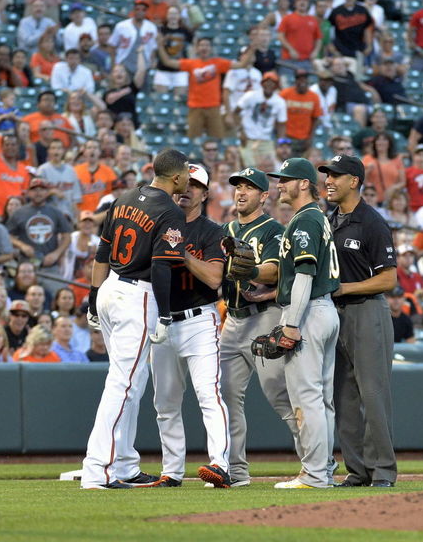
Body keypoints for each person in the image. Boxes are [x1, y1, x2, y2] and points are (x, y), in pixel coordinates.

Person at [81, 148, 189, 489]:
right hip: (136, 296)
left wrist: (93, 298)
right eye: (187, 171)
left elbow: (101, 252)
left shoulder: (124, 198)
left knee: (132, 381)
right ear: (176, 177)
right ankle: (97, 470)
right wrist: (166, 315)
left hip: (110, 289)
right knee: (123, 384)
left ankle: (125, 464)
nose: (188, 177)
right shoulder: (170, 210)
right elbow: (161, 266)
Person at [142, 164, 231, 488]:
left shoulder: (211, 231)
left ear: (205, 194)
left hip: (199, 320)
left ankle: (220, 464)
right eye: (186, 183)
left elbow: (214, 278)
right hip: (164, 320)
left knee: (209, 394)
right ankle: (172, 471)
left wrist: (181, 254)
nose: (188, 189)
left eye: (196, 185)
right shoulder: (160, 223)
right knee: (164, 402)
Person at [214, 167, 303, 488]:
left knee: (279, 393)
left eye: (249, 187)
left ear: (264, 196)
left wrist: (250, 269)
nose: (241, 192)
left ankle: (316, 462)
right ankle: (236, 472)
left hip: (264, 317)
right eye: (238, 186)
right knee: (226, 398)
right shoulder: (225, 229)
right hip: (232, 319)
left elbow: (274, 271)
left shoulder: (273, 230)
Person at [319, 154, 398, 489]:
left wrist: (346, 287)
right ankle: (358, 470)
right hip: (334, 315)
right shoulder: (329, 220)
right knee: (344, 398)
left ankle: (383, 471)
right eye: (327, 175)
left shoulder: (372, 222)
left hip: (367, 311)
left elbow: (389, 278)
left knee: (373, 395)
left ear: (354, 181)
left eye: (336, 175)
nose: (328, 181)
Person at [266, 158, 340, 488]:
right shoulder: (315, 217)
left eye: (287, 179)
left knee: (306, 398)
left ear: (305, 184)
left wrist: (292, 323)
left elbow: (305, 275)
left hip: (308, 312)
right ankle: (324, 469)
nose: (280, 184)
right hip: (324, 310)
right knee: (321, 400)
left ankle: (314, 474)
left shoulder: (305, 220)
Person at [157, 35, 251, 140]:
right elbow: (167, 62)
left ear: (211, 48)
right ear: (197, 48)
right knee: (193, 139)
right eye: (201, 45)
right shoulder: (190, 63)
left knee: (217, 139)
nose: (204, 47)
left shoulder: (218, 63)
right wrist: (160, 46)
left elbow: (241, 65)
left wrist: (253, 48)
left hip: (214, 107)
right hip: (195, 107)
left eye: (207, 45)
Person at [7, 177, 71, 297]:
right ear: (28, 192)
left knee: (60, 295)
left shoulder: (56, 212)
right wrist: (22, 246)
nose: (38, 193)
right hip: (26, 267)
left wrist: (56, 254)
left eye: (42, 189)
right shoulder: (19, 213)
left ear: (47, 192)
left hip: (49, 267)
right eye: (34, 189)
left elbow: (67, 237)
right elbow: (8, 236)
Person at [279, 69, 322, 156]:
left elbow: (316, 119)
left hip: (304, 138)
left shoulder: (314, 97)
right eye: (299, 78)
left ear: (307, 80)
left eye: (304, 78)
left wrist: (310, 138)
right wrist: (281, 136)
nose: (302, 81)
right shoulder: (285, 94)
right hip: (287, 136)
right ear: (295, 80)